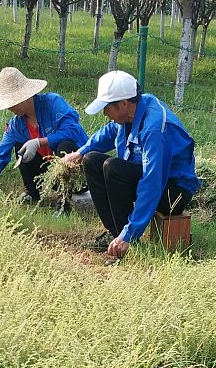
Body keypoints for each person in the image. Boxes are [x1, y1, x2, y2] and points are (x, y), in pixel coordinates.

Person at [62, 70, 200, 259]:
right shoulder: (133, 111)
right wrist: (80, 152)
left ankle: (126, 242)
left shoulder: (154, 129)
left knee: (113, 168)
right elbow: (109, 132)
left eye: (107, 108)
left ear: (123, 104)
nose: (104, 113)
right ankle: (114, 234)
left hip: (173, 192)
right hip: (153, 179)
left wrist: (130, 233)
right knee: (91, 160)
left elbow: (152, 183)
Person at [0, 67, 87, 205]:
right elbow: (1, 150)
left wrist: (39, 142)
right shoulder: (17, 124)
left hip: (78, 171)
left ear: (25, 97)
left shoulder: (53, 103)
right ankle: (32, 193)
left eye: (12, 102)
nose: (10, 108)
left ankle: (64, 202)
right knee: (21, 147)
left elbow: (73, 131)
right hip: (49, 173)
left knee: (65, 145)